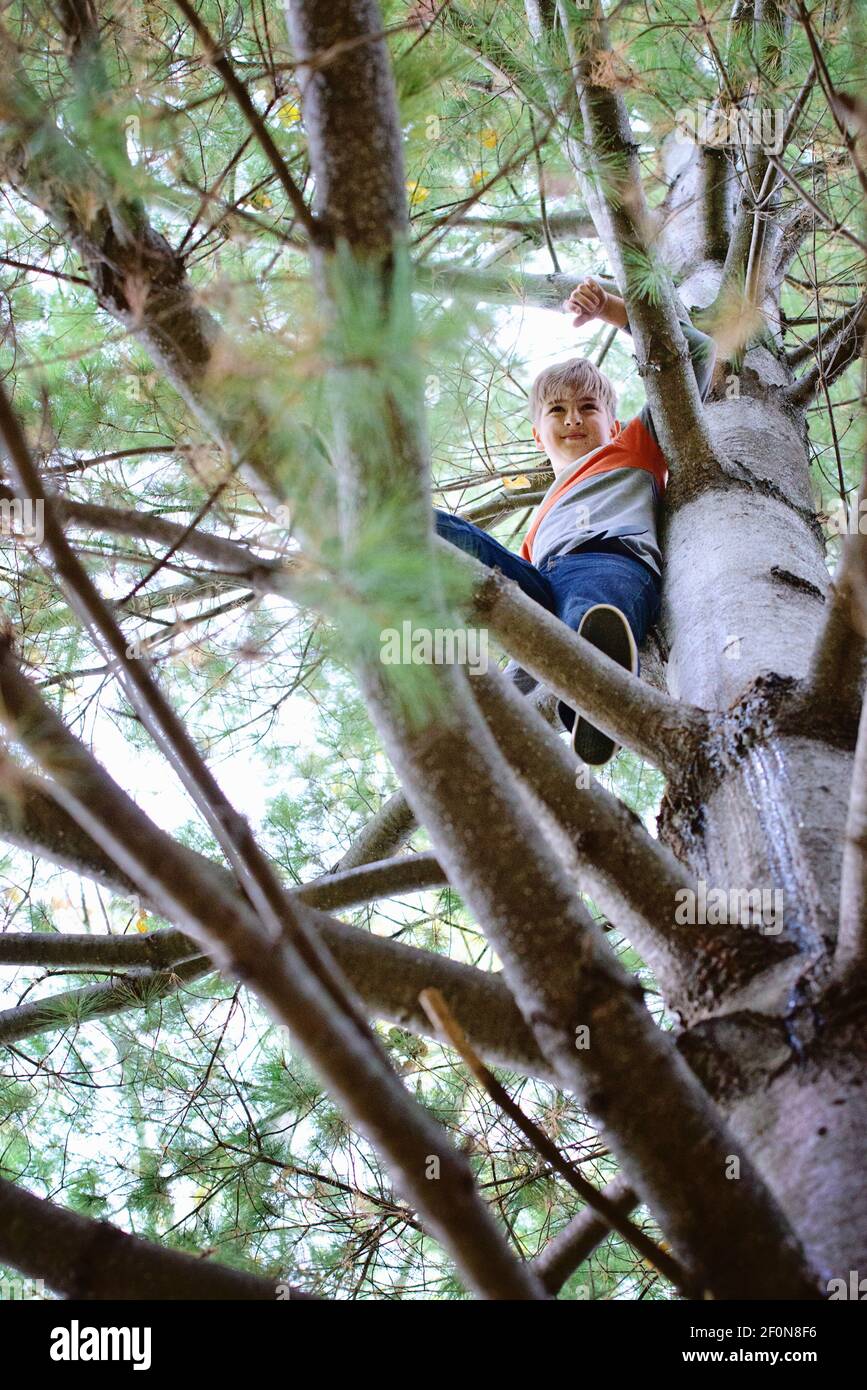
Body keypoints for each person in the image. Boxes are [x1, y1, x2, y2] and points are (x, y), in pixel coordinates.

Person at [435, 277, 716, 765]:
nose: (573, 419)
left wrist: (611, 309)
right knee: (460, 543)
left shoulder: (632, 445)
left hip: (609, 558)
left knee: (590, 608)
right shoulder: (538, 519)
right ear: (537, 432)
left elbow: (695, 352)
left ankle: (595, 693)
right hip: (538, 581)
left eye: (589, 407)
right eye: (557, 411)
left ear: (612, 421)